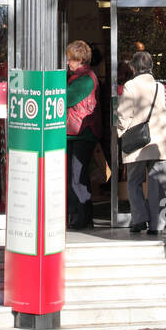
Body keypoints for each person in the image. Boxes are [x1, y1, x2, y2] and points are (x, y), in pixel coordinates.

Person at [115, 50, 166, 235]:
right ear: (151, 66)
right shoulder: (159, 87)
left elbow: (124, 114)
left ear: (133, 67)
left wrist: (122, 133)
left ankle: (139, 220)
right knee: (158, 183)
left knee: (134, 182)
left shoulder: (130, 86)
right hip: (158, 141)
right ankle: (158, 224)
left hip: (137, 141)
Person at [65, 40, 102, 230]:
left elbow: (66, 97)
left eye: (70, 59)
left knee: (76, 178)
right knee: (78, 177)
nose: (67, 63)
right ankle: (84, 217)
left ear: (79, 59)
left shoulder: (86, 79)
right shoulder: (80, 77)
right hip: (76, 134)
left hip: (81, 134)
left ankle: (81, 217)